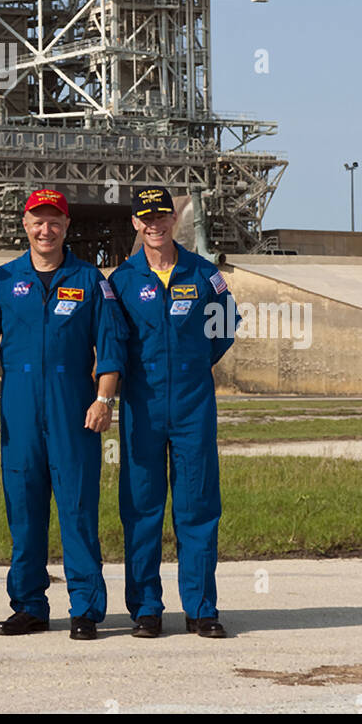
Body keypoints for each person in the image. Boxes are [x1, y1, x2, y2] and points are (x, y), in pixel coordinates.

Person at [0, 188, 127, 640]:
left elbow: (111, 345)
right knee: (24, 509)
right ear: (25, 224)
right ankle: (30, 605)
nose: (46, 229)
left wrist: (104, 399)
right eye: (38, 220)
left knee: (77, 508)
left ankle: (86, 608)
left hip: (72, 403)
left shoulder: (90, 280)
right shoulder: (2, 280)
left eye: (54, 220)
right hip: (18, 404)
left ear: (66, 226)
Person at [108, 186, 235, 639]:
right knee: (141, 508)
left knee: (197, 505)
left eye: (162, 215)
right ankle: (146, 609)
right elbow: (111, 345)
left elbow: (223, 330)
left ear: (173, 219)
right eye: (146, 217)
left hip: (192, 403)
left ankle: (202, 609)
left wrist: (191, 364)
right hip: (141, 405)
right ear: (135, 224)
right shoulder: (120, 281)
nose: (155, 224)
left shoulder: (204, 275)